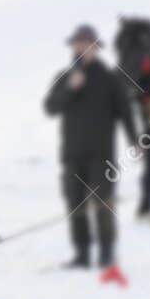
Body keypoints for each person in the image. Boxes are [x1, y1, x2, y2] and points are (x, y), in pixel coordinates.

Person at [44, 24, 137, 269]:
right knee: (75, 203)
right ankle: (82, 254)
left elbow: (125, 112)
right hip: (72, 154)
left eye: (87, 44)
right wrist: (70, 89)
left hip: (101, 154)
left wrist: (135, 139)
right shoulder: (64, 77)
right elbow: (51, 107)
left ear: (96, 48)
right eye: (78, 43)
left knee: (102, 202)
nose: (82, 47)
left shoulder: (110, 78)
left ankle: (106, 253)